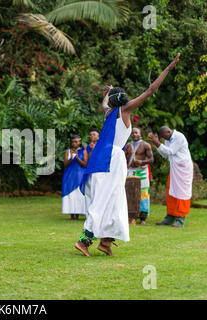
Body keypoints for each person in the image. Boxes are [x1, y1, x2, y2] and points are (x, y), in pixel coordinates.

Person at [74, 53, 181, 257]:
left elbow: (105, 102)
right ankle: (84, 240)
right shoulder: (124, 110)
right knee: (105, 198)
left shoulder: (109, 112)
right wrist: (168, 68)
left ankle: (106, 241)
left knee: (115, 199)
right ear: (121, 100)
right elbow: (151, 90)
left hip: (104, 158)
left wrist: (109, 90)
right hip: (110, 159)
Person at [148, 126, 193, 228]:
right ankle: (170, 217)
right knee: (171, 191)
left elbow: (170, 151)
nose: (164, 139)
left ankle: (180, 219)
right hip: (175, 168)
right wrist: (156, 144)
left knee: (182, 192)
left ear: (169, 132)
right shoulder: (169, 138)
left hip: (183, 168)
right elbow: (165, 154)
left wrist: (158, 143)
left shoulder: (179, 137)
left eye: (164, 137)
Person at [125, 128, 154, 224]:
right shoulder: (128, 146)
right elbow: (123, 158)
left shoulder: (146, 145)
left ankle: (143, 217)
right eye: (132, 133)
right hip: (131, 171)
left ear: (140, 134)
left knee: (144, 193)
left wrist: (141, 162)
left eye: (136, 132)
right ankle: (131, 216)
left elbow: (151, 159)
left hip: (142, 171)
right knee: (130, 192)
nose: (134, 134)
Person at [62, 134, 88, 220]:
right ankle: (71, 214)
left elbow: (85, 164)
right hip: (69, 176)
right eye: (73, 142)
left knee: (78, 195)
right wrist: (71, 158)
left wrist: (77, 158)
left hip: (79, 175)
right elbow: (65, 164)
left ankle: (77, 214)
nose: (75, 143)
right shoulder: (68, 151)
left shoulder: (83, 151)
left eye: (77, 141)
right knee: (71, 195)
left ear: (80, 142)